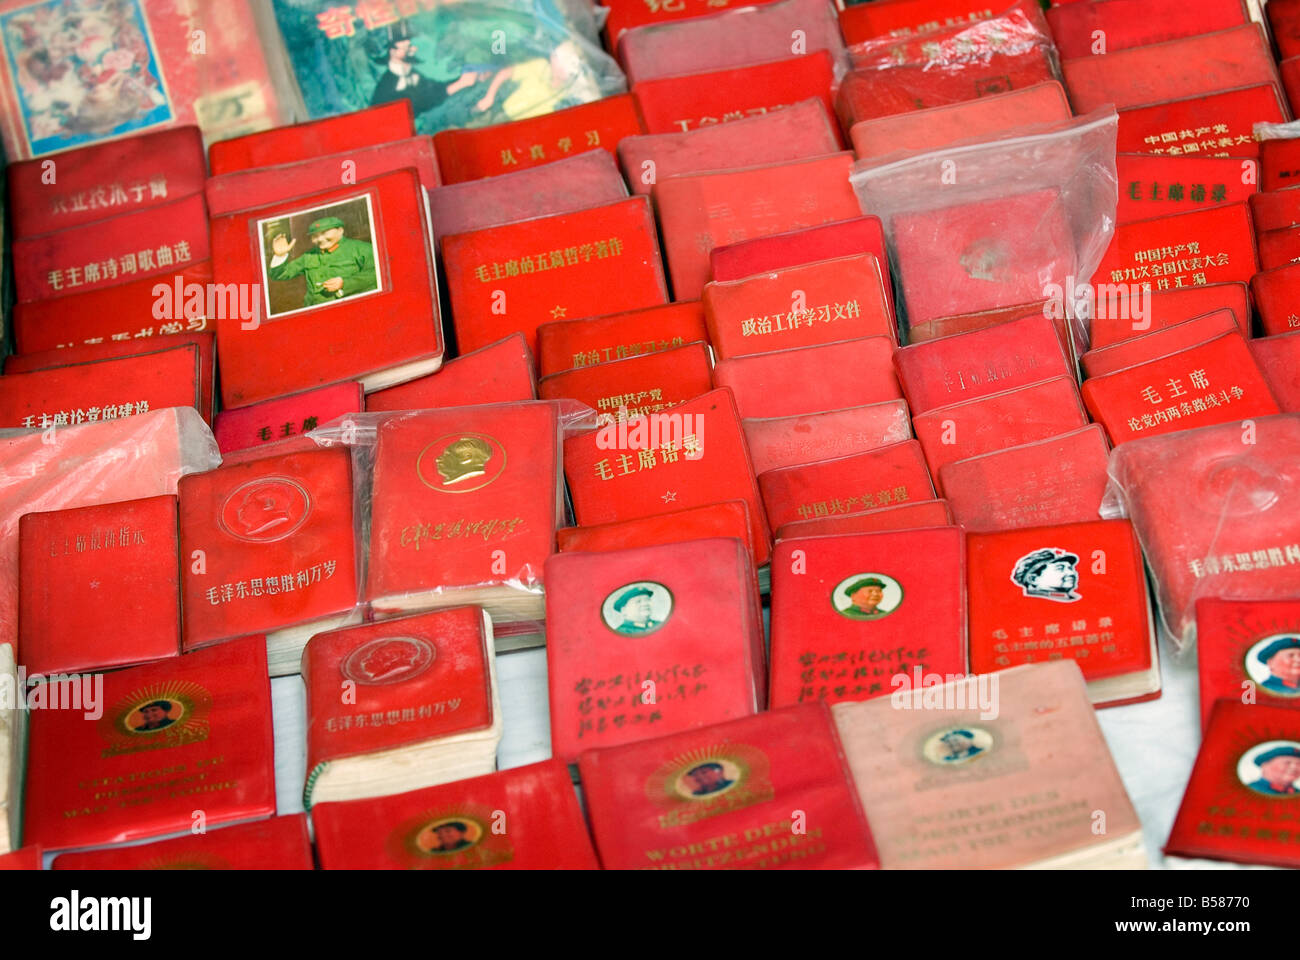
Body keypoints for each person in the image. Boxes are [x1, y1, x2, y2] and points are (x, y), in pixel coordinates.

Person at [267, 215, 377, 310]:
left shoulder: (363, 249)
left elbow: (376, 274)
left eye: (324, 233)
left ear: (340, 230)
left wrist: (345, 283)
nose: (320, 239)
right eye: (315, 236)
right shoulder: (309, 256)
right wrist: (280, 255)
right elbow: (279, 275)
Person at [1011, 548, 1081, 602]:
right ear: (1033, 579)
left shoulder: (1072, 598)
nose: (1071, 573)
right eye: (1060, 569)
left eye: (1070, 568)